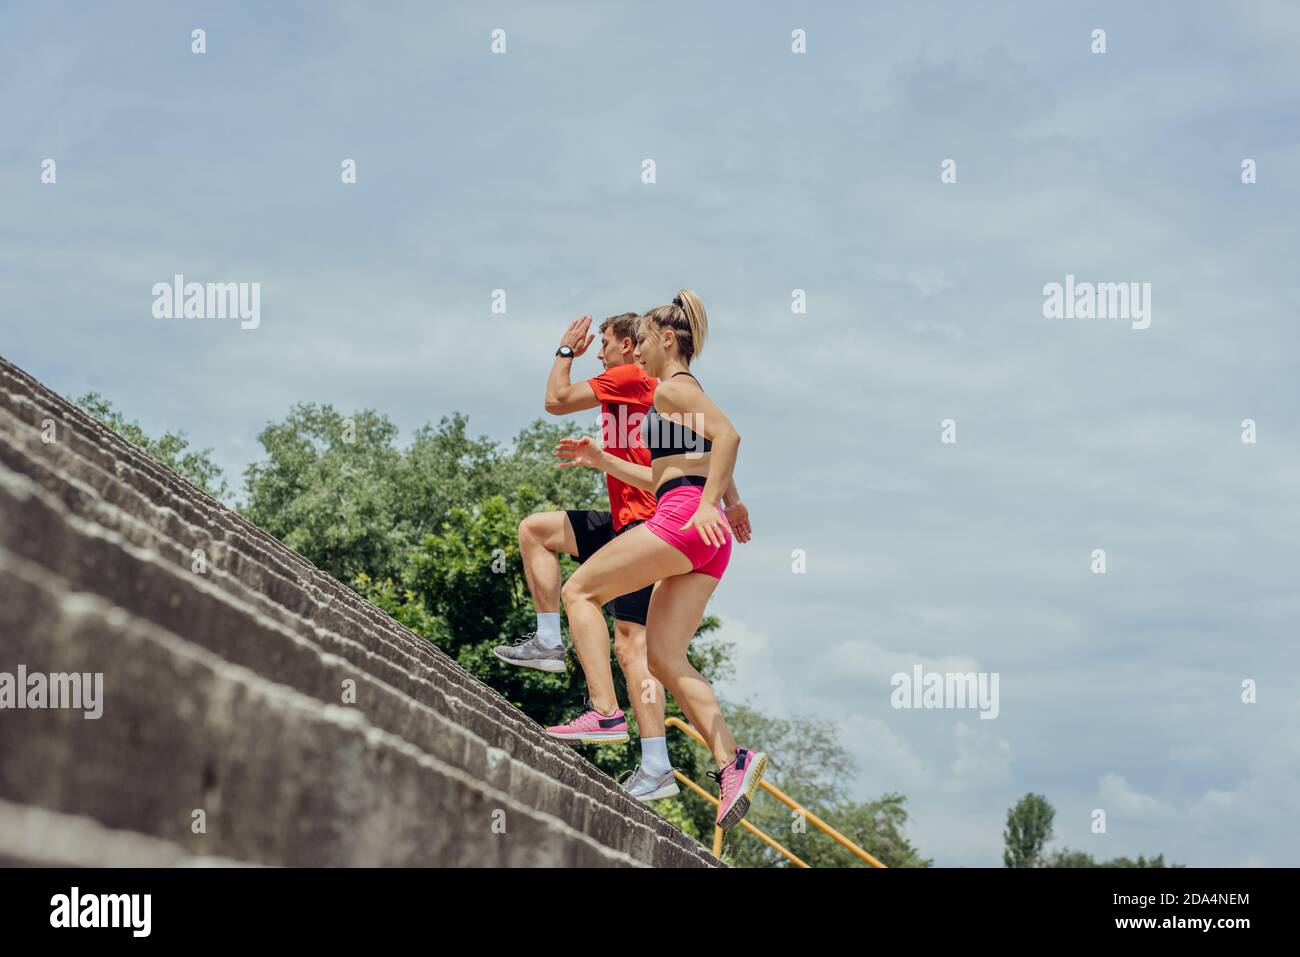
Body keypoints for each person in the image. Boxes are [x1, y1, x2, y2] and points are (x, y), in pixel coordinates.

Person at [551, 290, 765, 829]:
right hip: (704, 536)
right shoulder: (681, 394)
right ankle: (732, 762)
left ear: (667, 340)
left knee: (579, 591)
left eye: (642, 340)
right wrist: (603, 459)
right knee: (665, 659)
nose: (637, 351)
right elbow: (667, 473)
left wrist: (714, 504)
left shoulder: (672, 389)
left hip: (687, 520)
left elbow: (729, 436)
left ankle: (604, 713)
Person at [492, 311, 678, 802]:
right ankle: (551, 643)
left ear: (627, 344)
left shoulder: (628, 374)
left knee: (631, 646)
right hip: (623, 524)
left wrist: (564, 352)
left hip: (644, 528)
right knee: (536, 530)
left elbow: (555, 401)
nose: (600, 353)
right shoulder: (639, 382)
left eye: (606, 345)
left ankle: (631, 738)